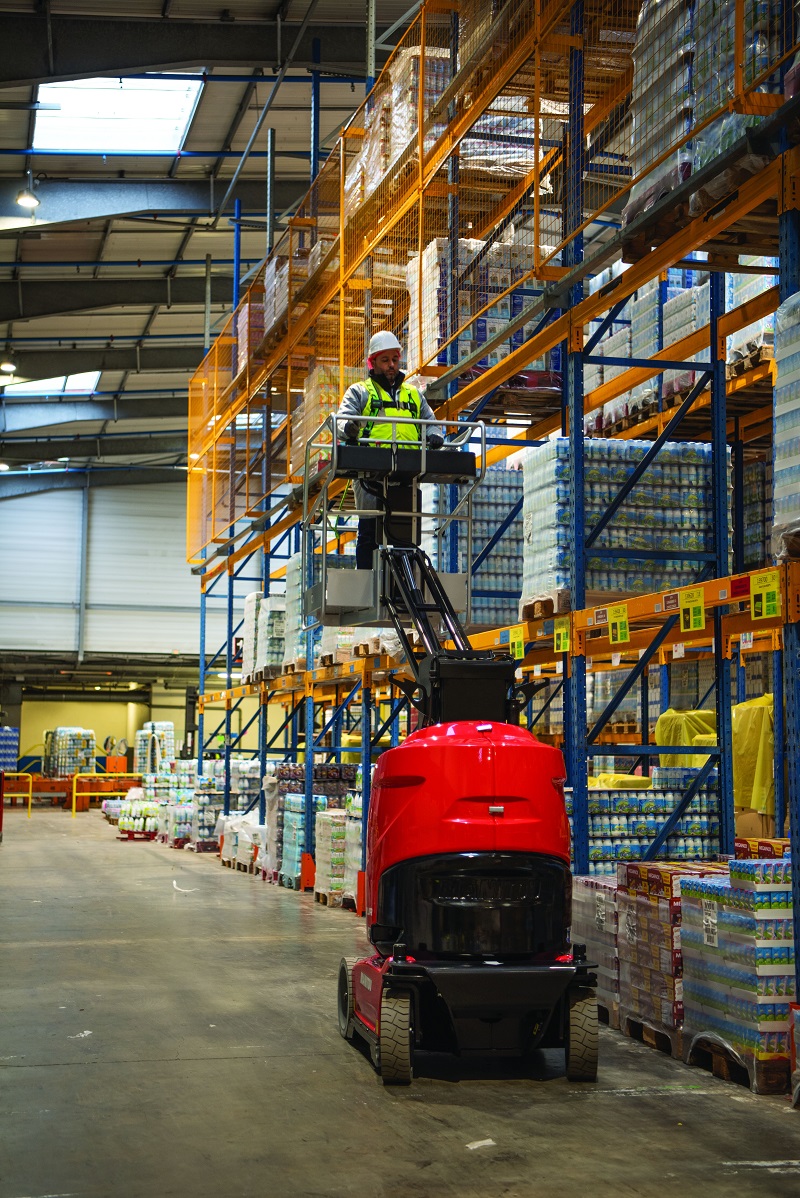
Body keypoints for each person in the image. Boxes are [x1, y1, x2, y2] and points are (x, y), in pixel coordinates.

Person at [336, 331, 443, 569]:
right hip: (370, 472)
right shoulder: (360, 392)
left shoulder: (413, 394)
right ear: (372, 363)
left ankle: (401, 586)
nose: (391, 365)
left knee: (405, 534)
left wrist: (435, 435)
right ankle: (367, 583)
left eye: (394, 359)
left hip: (406, 472)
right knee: (370, 532)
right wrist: (349, 427)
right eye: (385, 360)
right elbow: (341, 420)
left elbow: (431, 422)